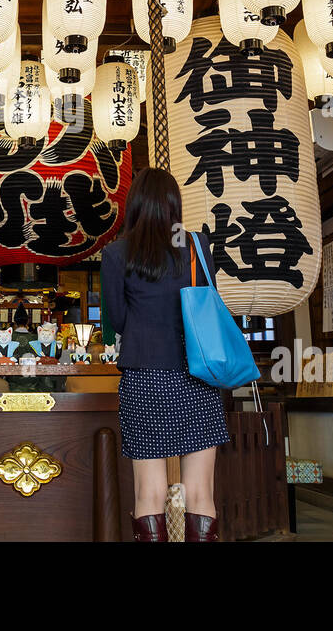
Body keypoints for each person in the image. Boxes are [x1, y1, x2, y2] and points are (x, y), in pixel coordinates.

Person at [100, 167, 228, 542]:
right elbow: (208, 307)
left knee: (149, 494)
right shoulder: (197, 246)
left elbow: (119, 321)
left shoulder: (116, 253)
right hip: (197, 376)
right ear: (174, 203)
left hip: (144, 379)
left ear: (135, 204)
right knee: (201, 493)